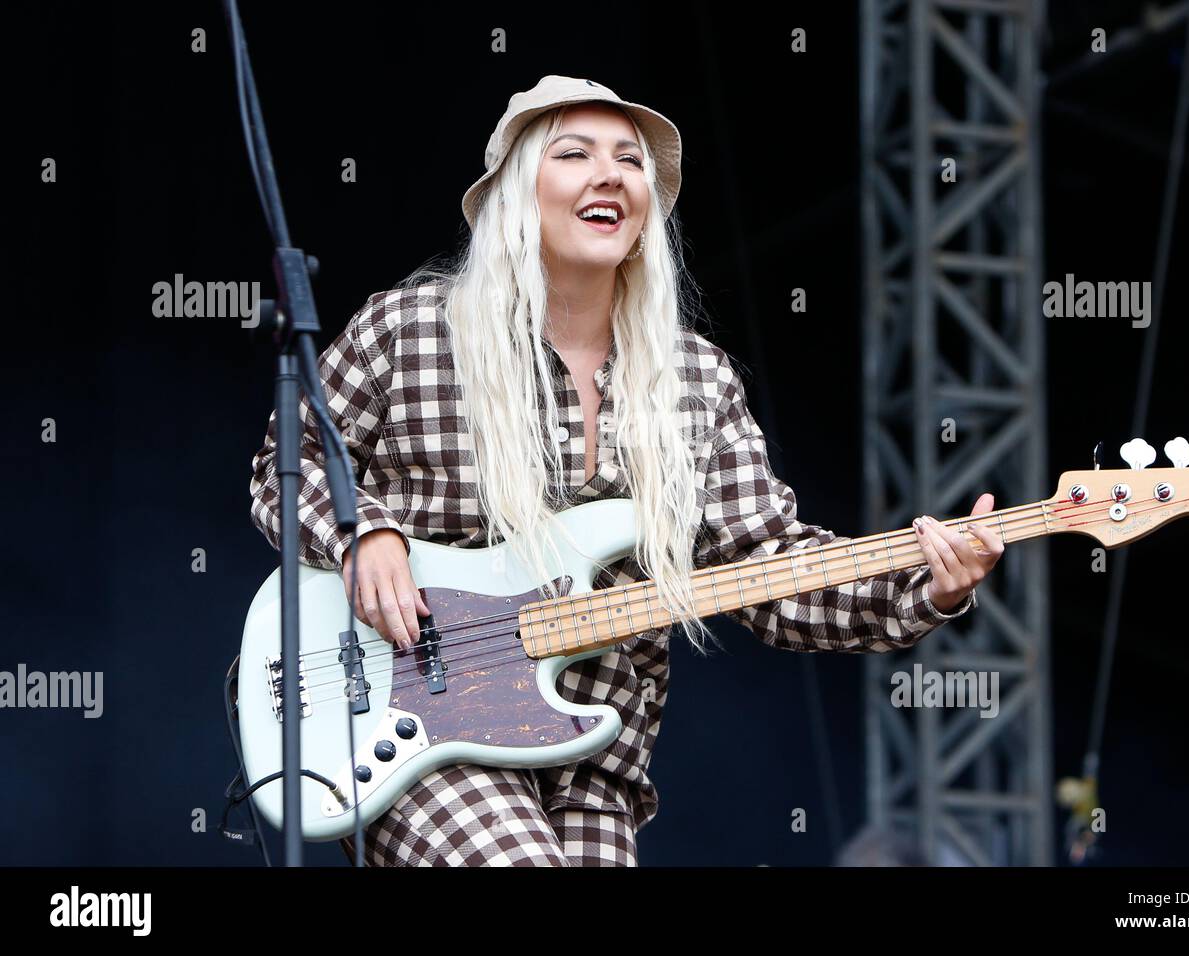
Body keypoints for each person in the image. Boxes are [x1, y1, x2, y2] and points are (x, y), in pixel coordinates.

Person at [248, 75, 1002, 867]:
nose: (610, 174)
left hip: (595, 756)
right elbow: (284, 466)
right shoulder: (407, 331)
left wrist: (930, 582)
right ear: (513, 194)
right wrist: (365, 534)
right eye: (574, 154)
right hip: (413, 720)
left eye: (630, 161)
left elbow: (769, 570)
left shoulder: (695, 381)